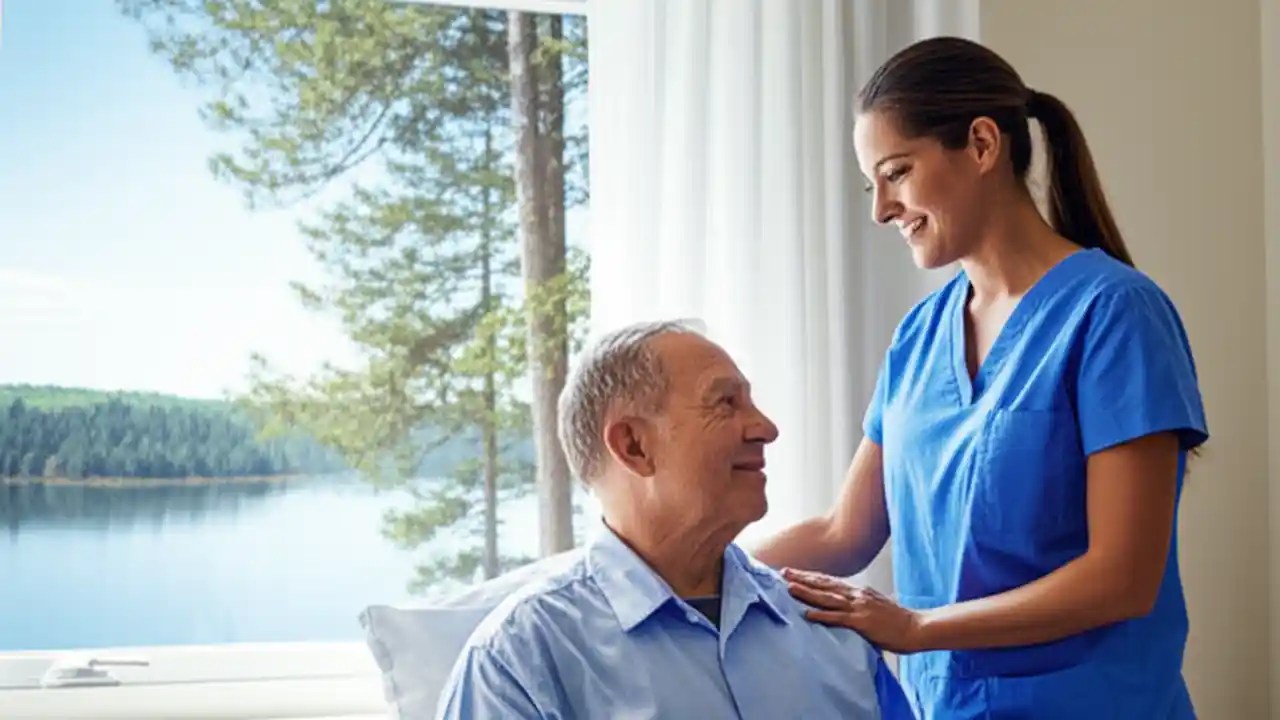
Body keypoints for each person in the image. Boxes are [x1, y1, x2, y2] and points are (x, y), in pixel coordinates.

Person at [751, 36, 1209, 719]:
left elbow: (1123, 579)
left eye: (897, 172)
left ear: (984, 145)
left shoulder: (1115, 314)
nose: (880, 208)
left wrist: (916, 628)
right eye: (871, 184)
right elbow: (845, 531)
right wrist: (699, 568)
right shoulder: (919, 337)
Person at [435, 320, 915, 719]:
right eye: (726, 403)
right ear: (634, 446)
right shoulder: (519, 658)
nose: (766, 427)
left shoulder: (832, 630)